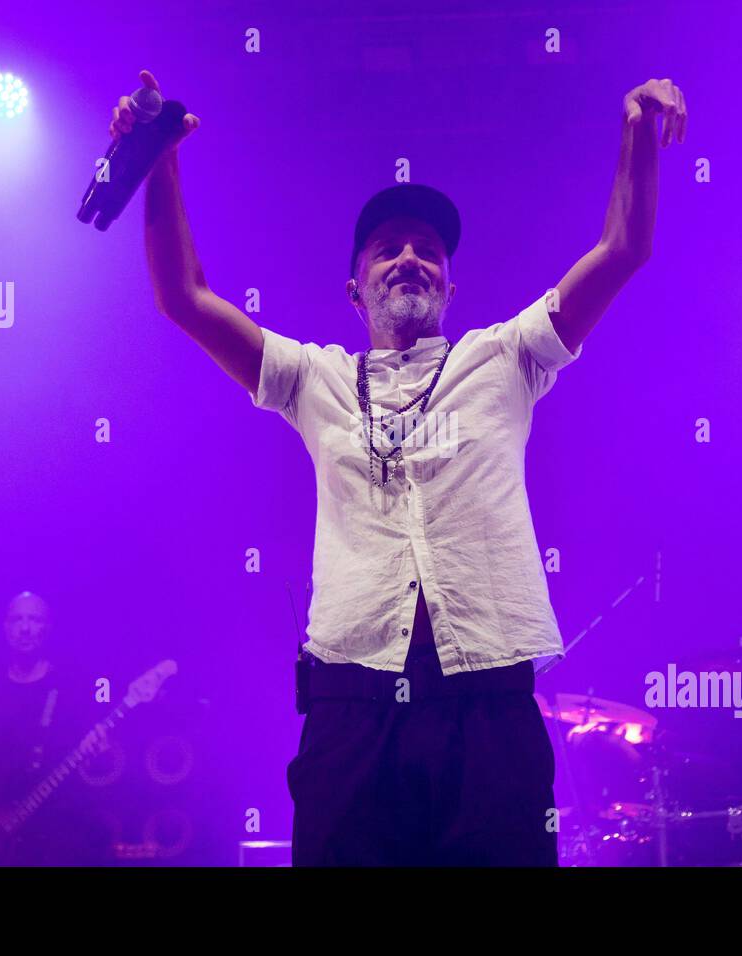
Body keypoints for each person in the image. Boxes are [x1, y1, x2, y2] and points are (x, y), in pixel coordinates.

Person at [112, 69, 687, 865]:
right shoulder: (312, 377)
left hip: (486, 697)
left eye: (429, 251)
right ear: (355, 288)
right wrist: (160, 161)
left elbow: (624, 250)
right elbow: (183, 297)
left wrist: (635, 135)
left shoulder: (507, 356)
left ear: (452, 283)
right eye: (389, 249)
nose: (410, 258)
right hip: (353, 702)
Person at [0, 591, 109, 865]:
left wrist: (100, 751)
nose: (25, 628)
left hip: (62, 832)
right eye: (17, 619)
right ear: (5, 627)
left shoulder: (71, 687)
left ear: (48, 628)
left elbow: (99, 752)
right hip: (3, 835)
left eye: (34, 619)